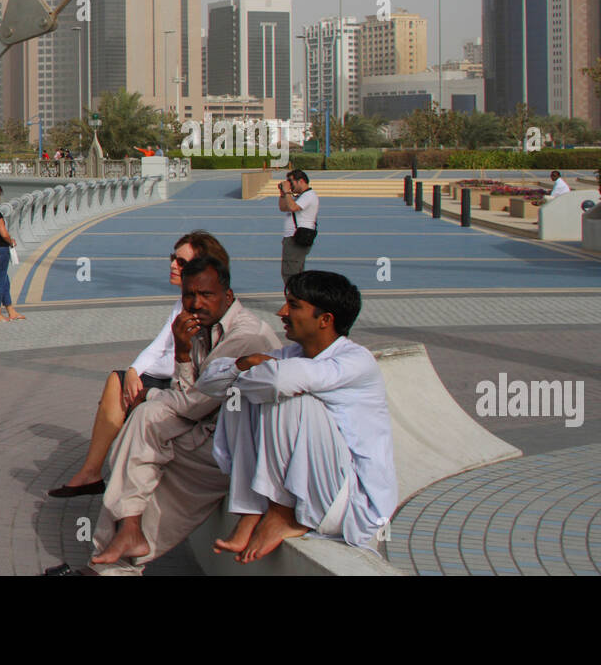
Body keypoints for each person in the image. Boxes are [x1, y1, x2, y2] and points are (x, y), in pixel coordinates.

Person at [84, 256, 281, 574]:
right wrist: (184, 352)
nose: (196, 303)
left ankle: (112, 563)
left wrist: (151, 392)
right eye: (190, 295)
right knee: (141, 439)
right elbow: (191, 396)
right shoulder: (202, 327)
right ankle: (121, 545)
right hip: (206, 432)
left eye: (207, 294)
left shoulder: (245, 335)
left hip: (233, 452)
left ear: (227, 296)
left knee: (145, 423)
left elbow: (193, 404)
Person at [197, 271, 397, 564]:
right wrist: (244, 363)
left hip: (351, 503)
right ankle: (251, 510)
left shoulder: (356, 361)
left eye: (294, 305)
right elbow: (208, 383)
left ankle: (281, 514)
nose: (282, 312)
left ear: (325, 320)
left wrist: (252, 371)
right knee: (239, 396)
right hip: (318, 490)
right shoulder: (292, 354)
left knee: (285, 396)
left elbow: (279, 383)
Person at [47, 231, 230, 498]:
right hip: (171, 378)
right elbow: (159, 345)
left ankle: (94, 473)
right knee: (119, 380)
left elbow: (181, 358)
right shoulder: (182, 301)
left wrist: (139, 375)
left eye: (181, 262)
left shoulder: (203, 306)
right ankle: (92, 472)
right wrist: (134, 371)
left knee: (120, 388)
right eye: (172, 258)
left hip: (189, 387)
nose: (172, 265)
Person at [0, 184, 24, 323]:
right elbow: (3, 233)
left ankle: (11, 310)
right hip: (0, 250)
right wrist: (11, 241)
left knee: (4, 280)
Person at [278, 168, 319, 281]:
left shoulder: (309, 195)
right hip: (292, 238)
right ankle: (296, 296)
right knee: (294, 272)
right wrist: (283, 194)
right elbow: (283, 208)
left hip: (296, 239)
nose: (290, 185)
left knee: (290, 274)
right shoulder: (300, 196)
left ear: (300, 181)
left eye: (291, 182)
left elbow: (293, 207)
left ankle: (294, 297)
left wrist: (287, 192)